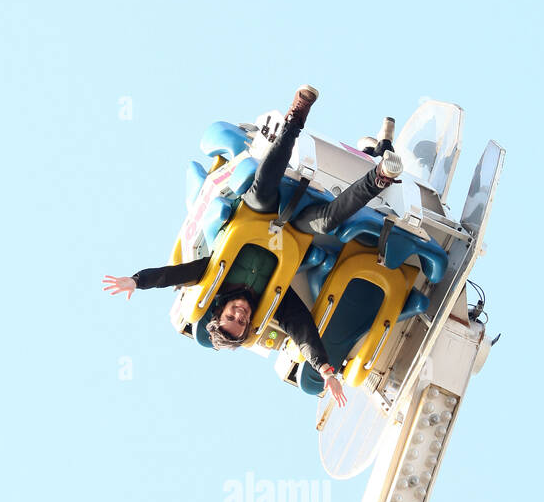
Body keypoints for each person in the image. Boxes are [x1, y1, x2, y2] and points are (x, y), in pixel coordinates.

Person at [103, 86, 403, 408]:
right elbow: (302, 331)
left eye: (232, 316)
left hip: (260, 212)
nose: (241, 313)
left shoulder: (211, 276)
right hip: (295, 230)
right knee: (327, 221)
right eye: (243, 321)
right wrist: (325, 369)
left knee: (261, 190)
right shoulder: (272, 301)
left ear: (220, 311)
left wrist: (136, 280)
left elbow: (170, 275)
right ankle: (381, 177)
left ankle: (295, 118)